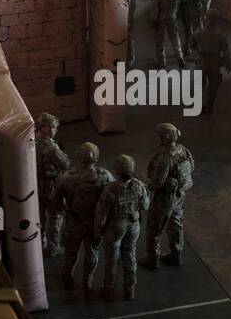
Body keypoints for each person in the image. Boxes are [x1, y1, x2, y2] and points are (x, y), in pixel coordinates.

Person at [57, 142, 114, 291]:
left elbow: (57, 199)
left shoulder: (67, 177)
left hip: (74, 221)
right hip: (94, 224)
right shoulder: (106, 176)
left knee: (70, 252)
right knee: (92, 253)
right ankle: (88, 280)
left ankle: (68, 277)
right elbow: (113, 199)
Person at [95, 155, 150, 301]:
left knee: (112, 258)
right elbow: (145, 205)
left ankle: (108, 290)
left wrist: (98, 230)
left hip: (115, 226)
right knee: (130, 255)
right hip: (133, 225)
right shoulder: (139, 186)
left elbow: (101, 214)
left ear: (117, 170)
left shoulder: (111, 190)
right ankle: (129, 289)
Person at [141, 123, 195, 270]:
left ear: (164, 137)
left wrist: (144, 187)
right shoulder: (184, 150)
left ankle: (153, 259)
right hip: (179, 195)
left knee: (154, 228)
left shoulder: (165, 157)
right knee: (176, 224)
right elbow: (192, 167)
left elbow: (157, 182)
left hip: (164, 198)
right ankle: (176, 255)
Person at [34, 113, 69, 257]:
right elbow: (65, 163)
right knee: (55, 216)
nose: (56, 130)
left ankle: (39, 243)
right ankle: (53, 248)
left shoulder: (32, 139)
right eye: (54, 128)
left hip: (35, 183)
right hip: (50, 185)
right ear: (46, 128)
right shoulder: (50, 147)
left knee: (39, 215)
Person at [149, 0, 188, 70]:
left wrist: (153, 19)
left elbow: (155, 7)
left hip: (160, 19)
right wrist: (177, 2)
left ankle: (161, 61)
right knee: (175, 38)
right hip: (172, 16)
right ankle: (180, 58)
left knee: (160, 41)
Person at [195, 10, 231, 115]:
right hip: (215, 62)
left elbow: (191, 44)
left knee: (199, 85)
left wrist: (199, 51)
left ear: (206, 19)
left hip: (202, 61)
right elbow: (226, 52)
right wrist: (228, 64)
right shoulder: (221, 35)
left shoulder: (199, 32)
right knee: (213, 86)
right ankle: (209, 106)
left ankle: (199, 104)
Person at [114, 0, 136, 67]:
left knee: (128, 37)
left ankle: (130, 59)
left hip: (125, 16)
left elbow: (130, 5)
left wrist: (128, 18)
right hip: (125, 15)